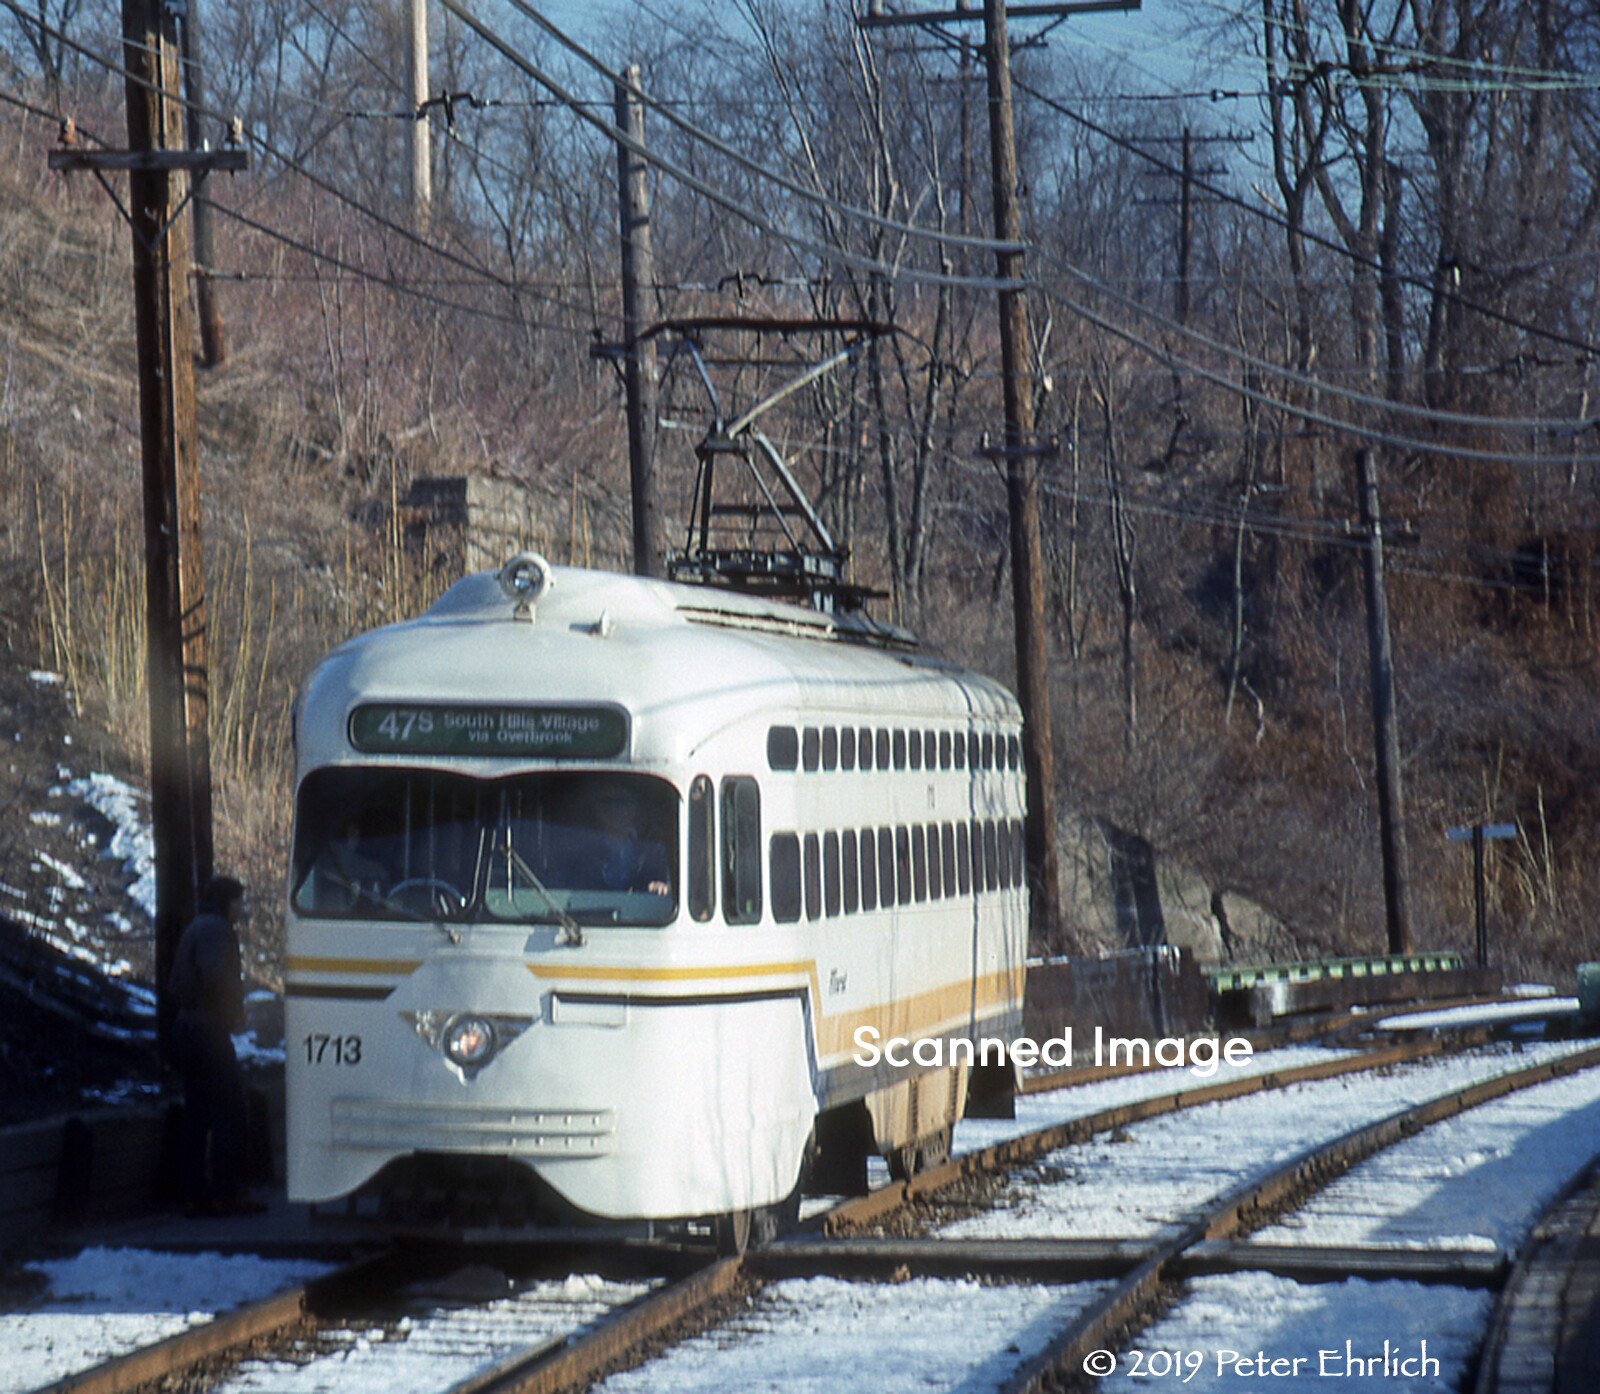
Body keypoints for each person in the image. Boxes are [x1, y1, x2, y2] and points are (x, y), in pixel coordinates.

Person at [168, 875, 265, 1216]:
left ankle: (196, 1194)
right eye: (238, 900)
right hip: (207, 1029)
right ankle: (228, 1191)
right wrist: (232, 1011)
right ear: (227, 901)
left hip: (187, 1027)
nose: (241, 907)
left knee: (197, 1112)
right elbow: (216, 977)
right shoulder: (217, 930)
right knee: (229, 1111)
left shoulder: (198, 925)